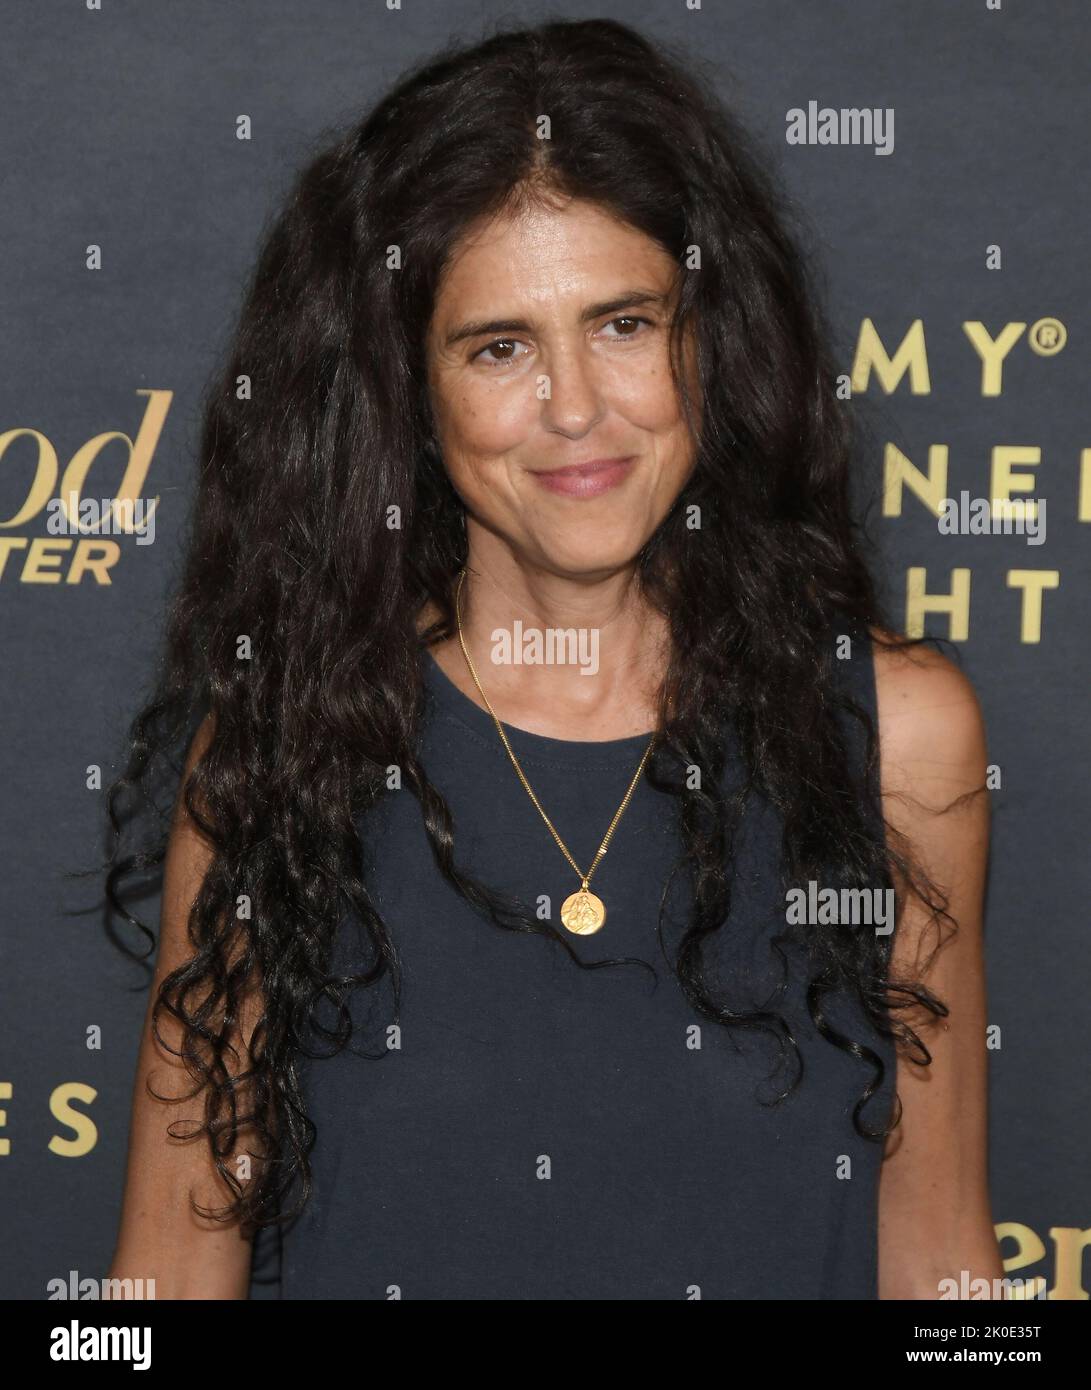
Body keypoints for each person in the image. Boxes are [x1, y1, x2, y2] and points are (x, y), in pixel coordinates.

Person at [105, 17, 1002, 1299]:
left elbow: (939, 1269)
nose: (575, 407)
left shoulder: (895, 737)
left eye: (625, 323)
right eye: (500, 347)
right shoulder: (282, 748)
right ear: (406, 392)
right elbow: (161, 1288)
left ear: (707, 337)